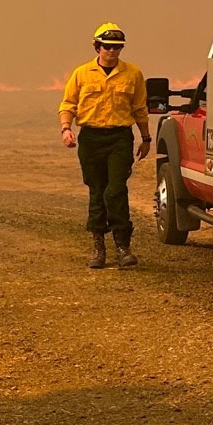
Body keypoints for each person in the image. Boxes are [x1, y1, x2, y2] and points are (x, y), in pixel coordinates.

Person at [58, 23, 151, 269]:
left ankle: (123, 247)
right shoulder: (81, 73)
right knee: (97, 191)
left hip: (120, 137)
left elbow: (140, 108)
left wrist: (146, 138)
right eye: (107, 46)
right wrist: (66, 129)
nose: (112, 51)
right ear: (97, 47)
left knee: (116, 190)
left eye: (117, 47)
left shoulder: (133, 74)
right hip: (90, 138)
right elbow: (68, 103)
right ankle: (99, 248)